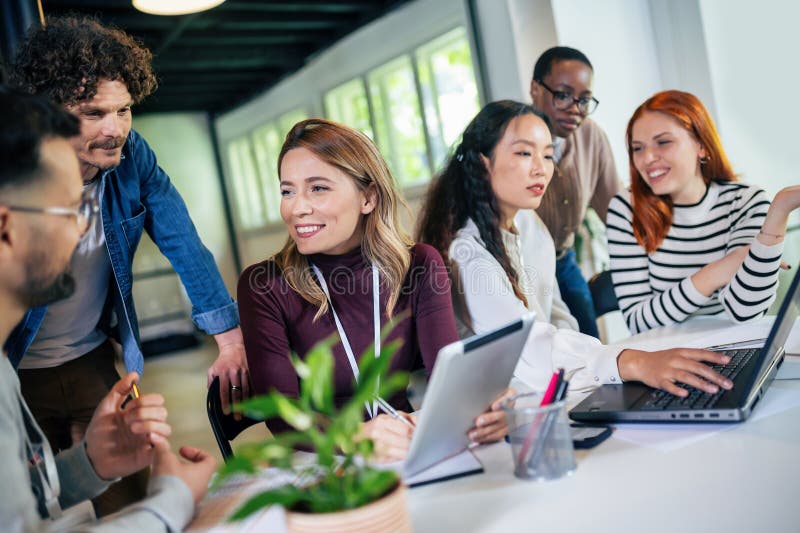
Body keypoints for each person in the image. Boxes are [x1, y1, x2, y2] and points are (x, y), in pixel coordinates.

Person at [7, 16, 246, 514]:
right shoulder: (17, 173)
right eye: (92, 113)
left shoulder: (133, 156)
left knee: (129, 494)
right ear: (48, 113)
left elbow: (182, 238)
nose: (114, 129)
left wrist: (229, 340)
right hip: (14, 369)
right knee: (30, 509)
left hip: (93, 359)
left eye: (124, 110)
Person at [417, 100, 734, 398]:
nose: (541, 168)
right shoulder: (466, 253)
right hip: (507, 405)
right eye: (525, 153)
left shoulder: (529, 224)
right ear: (483, 163)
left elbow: (557, 315)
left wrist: (604, 362)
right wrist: (629, 362)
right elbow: (527, 346)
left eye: (547, 154)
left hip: (556, 386)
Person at [238, 118, 511, 462]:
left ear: (367, 197)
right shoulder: (263, 285)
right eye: (287, 190)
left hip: (406, 449)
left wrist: (484, 409)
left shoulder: (420, 266)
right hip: (322, 463)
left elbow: (448, 377)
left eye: (318, 188)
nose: (296, 208)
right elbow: (282, 414)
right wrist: (356, 438)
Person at [607, 89, 800, 334]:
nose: (647, 158)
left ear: (701, 145)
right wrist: (720, 270)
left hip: (734, 342)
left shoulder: (744, 201)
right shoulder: (626, 209)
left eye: (663, 142)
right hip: (662, 354)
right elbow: (638, 321)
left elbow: (745, 312)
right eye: (637, 148)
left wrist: (780, 208)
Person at [529, 46, 622, 338]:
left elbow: (616, 210)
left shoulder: (592, 136)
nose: (575, 108)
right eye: (563, 95)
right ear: (535, 89)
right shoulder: (513, 136)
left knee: (589, 338)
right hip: (524, 267)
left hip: (563, 259)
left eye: (584, 100)